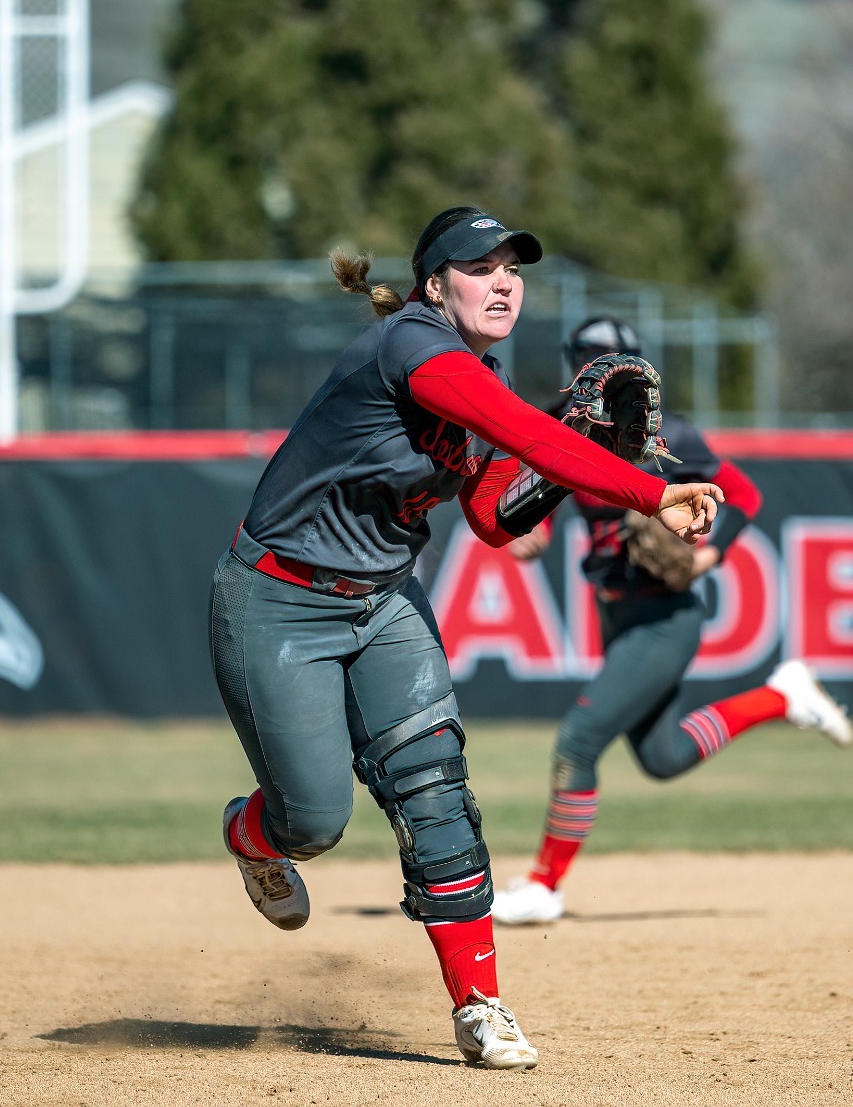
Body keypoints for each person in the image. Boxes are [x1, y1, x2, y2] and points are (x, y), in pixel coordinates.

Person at [210, 209, 723, 1070]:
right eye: (479, 266)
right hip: (277, 601)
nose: (504, 279)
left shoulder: (479, 373)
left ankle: (480, 1005)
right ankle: (252, 835)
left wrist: (577, 441)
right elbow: (520, 432)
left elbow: (492, 515)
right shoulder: (409, 347)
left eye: (513, 267)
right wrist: (642, 488)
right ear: (433, 285)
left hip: (383, 602)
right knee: (316, 817)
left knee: (435, 788)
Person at [490, 318, 853, 927]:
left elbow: (745, 496)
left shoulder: (672, 434)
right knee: (662, 757)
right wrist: (534, 532)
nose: (594, 368)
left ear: (635, 366)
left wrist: (710, 555)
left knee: (578, 742)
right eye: (583, 356)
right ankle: (779, 697)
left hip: (665, 617)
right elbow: (542, 499)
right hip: (619, 616)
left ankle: (544, 885)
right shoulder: (566, 428)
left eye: (605, 357)